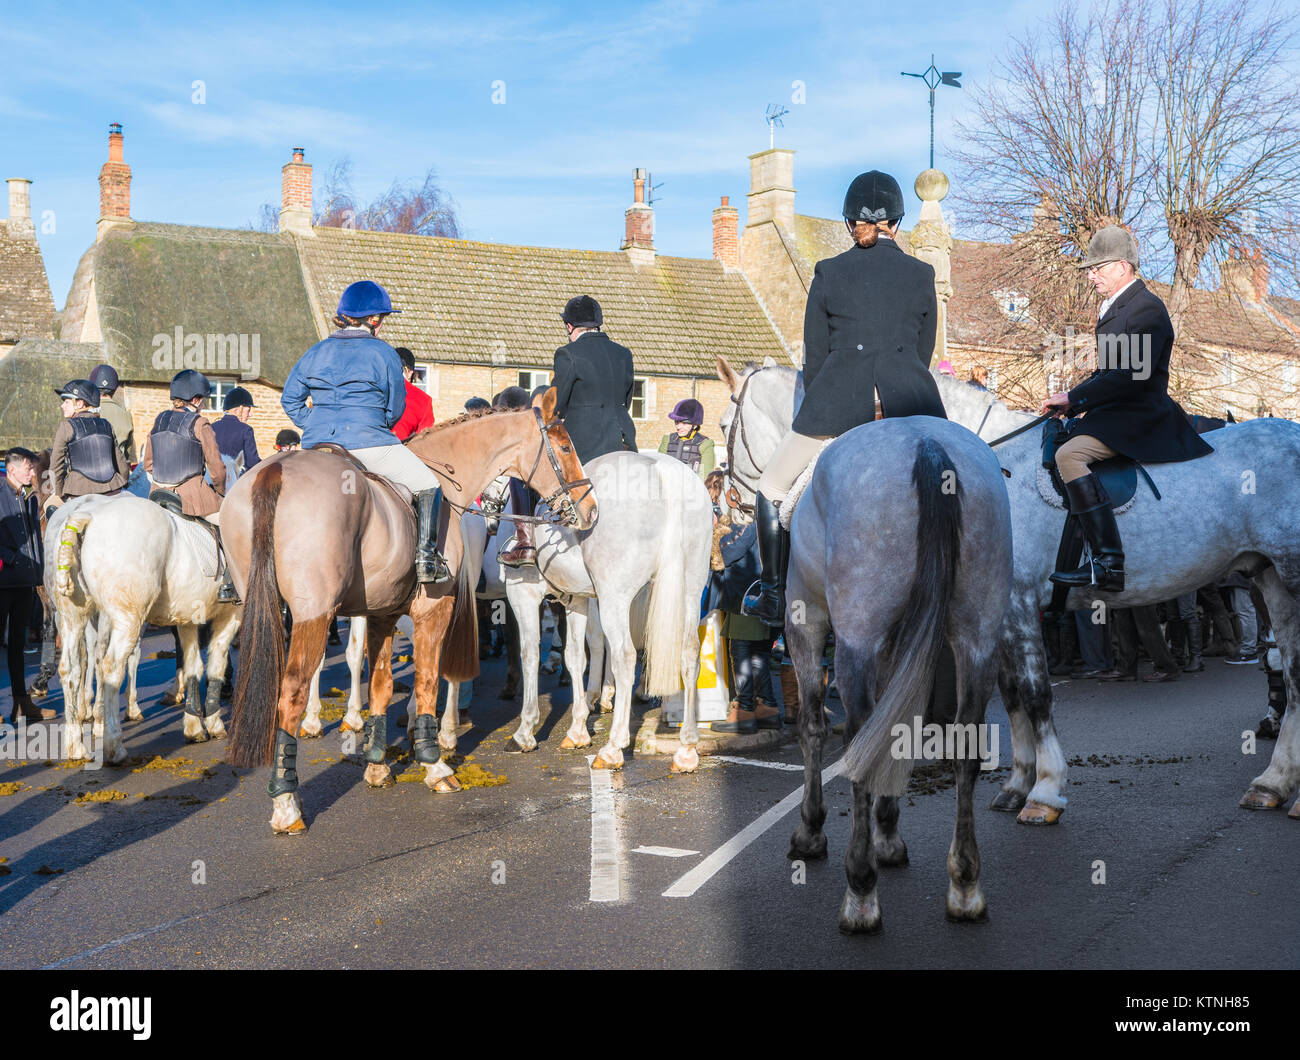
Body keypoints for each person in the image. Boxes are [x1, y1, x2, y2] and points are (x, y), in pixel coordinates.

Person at [743, 170, 948, 626]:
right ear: (897, 219)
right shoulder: (922, 274)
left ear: (850, 220)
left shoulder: (829, 272)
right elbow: (924, 350)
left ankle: (774, 595)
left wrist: (828, 399)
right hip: (912, 404)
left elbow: (814, 359)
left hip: (840, 406)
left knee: (771, 488)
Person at [1044, 227, 1212, 591]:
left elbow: (1129, 376)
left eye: (1097, 268)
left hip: (1140, 414)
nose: (1091, 275)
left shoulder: (1147, 309)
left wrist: (1074, 399)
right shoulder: (1117, 307)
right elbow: (1108, 372)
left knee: (1070, 456)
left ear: (1123, 266)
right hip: (1115, 411)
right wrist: (1071, 402)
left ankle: (1109, 562)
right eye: (1089, 270)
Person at [281, 280, 450, 584]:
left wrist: (314, 423)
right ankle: (426, 558)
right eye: (382, 318)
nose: (382, 324)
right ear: (374, 320)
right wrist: (373, 424)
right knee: (428, 484)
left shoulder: (315, 351)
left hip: (316, 448)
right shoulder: (384, 354)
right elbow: (395, 408)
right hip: (369, 444)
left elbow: (290, 399)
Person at [143, 370, 238, 603]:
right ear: (195, 400)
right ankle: (230, 582)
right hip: (192, 497)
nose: (204, 405)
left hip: (158, 495)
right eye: (203, 400)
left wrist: (161, 482)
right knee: (231, 524)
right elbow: (217, 468)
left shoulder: (159, 420)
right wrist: (221, 493)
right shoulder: (200, 423)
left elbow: (148, 463)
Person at [1, 448, 55, 722]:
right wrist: (13, 560)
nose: (33, 473)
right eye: (28, 469)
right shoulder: (0, 494)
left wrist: (37, 569)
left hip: (25, 583)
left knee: (18, 647)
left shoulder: (30, 500)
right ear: (12, 470)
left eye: (33, 469)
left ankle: (22, 704)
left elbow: (35, 540)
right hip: (3, 582)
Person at [48, 379, 130, 513]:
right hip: (112, 488)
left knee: (48, 509)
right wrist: (122, 482)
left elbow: (55, 466)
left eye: (66, 401)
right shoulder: (106, 425)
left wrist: (60, 492)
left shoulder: (66, 427)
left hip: (78, 490)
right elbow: (120, 462)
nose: (62, 405)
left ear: (79, 403)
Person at [89, 364, 135, 467]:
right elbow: (127, 454)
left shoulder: (86, 411)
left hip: (90, 472)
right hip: (116, 473)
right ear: (114, 389)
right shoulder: (126, 416)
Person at [657, 399, 716, 479]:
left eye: (684, 423)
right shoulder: (667, 440)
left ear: (695, 425)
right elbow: (659, 468)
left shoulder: (705, 444)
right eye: (676, 422)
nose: (678, 427)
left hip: (691, 488)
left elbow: (705, 476)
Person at [211, 386, 261, 479]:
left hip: (213, 483)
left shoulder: (211, 427)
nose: (250, 415)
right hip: (237, 484)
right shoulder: (246, 430)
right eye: (248, 410)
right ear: (237, 410)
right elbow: (252, 463)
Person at [391, 347, 435, 441]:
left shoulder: (371, 386)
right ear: (410, 372)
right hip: (400, 451)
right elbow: (425, 439)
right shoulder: (424, 400)